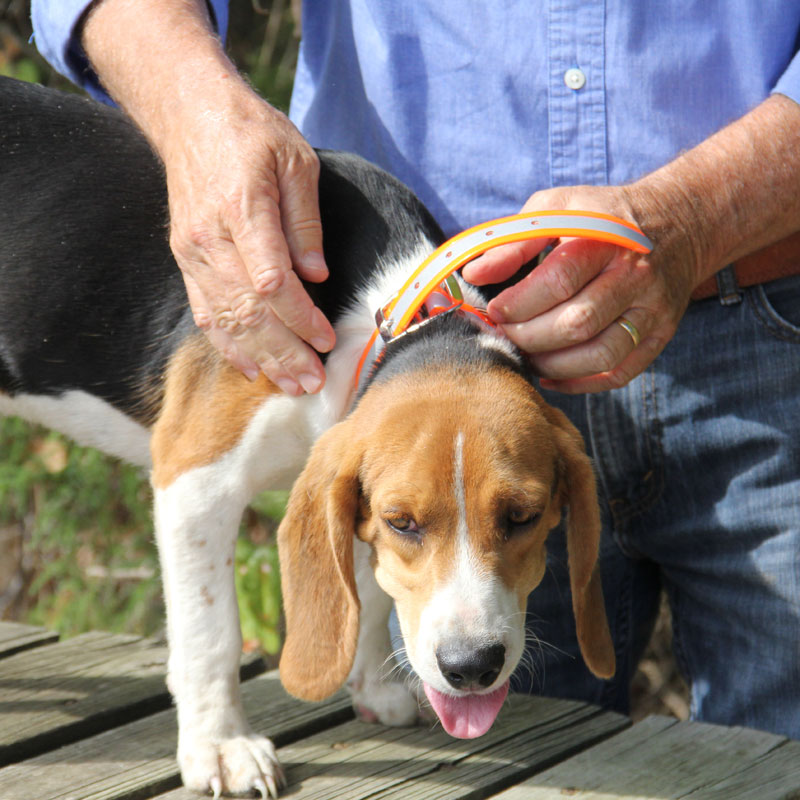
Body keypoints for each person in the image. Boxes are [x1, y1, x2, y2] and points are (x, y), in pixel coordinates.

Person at [32, 0, 800, 737]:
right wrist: (197, 117)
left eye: (520, 515)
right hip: (374, 316)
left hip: (767, 319)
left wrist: (702, 215)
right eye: (398, 521)